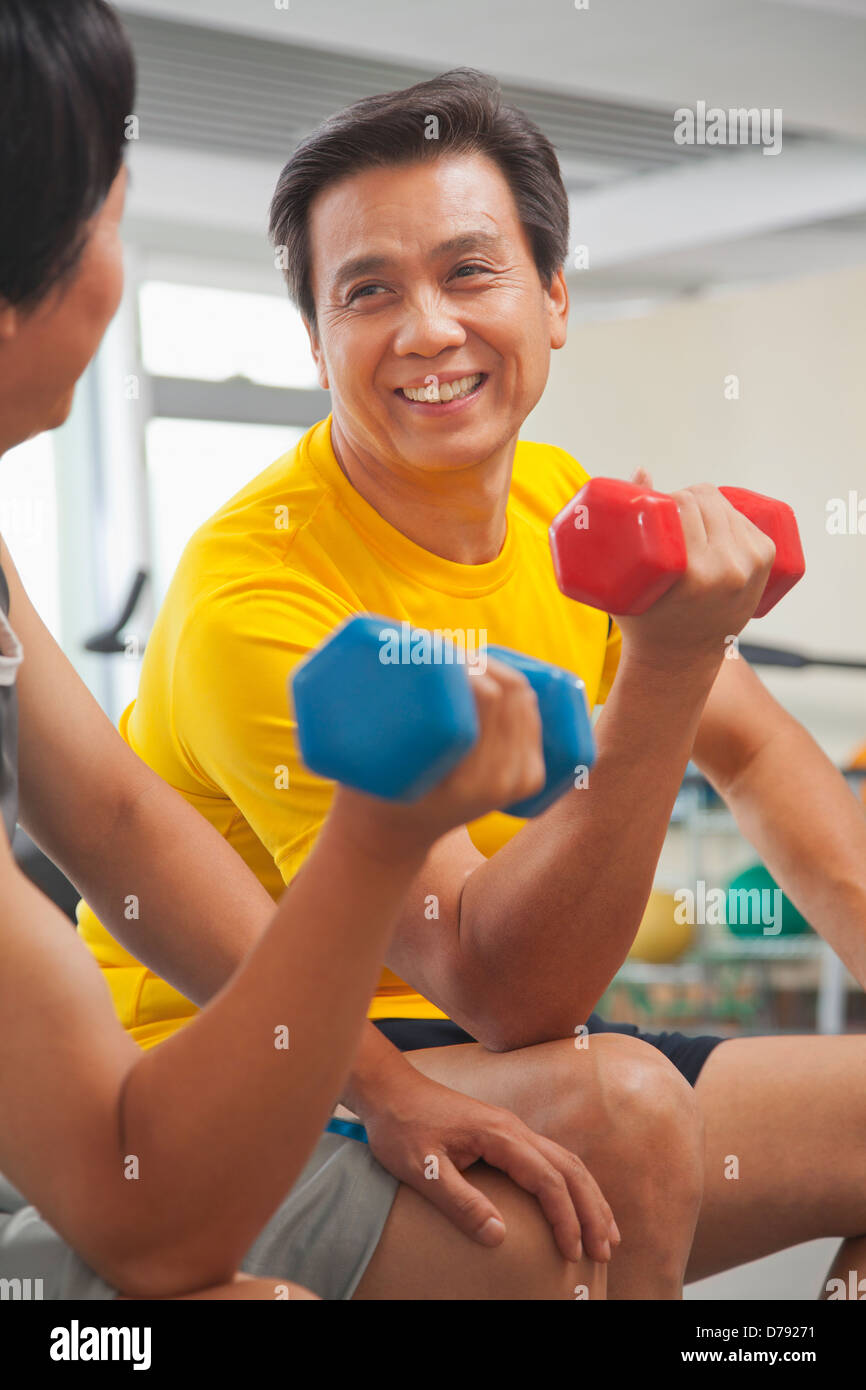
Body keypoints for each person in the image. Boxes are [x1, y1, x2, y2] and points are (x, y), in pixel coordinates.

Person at [0, 0, 682, 1305]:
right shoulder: (252, 581)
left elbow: (121, 820)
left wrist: (378, 1085)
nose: (116, 269)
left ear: (553, 300)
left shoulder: (556, 499)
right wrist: (381, 836)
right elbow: (142, 1214)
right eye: (110, 222)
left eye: (467, 273)